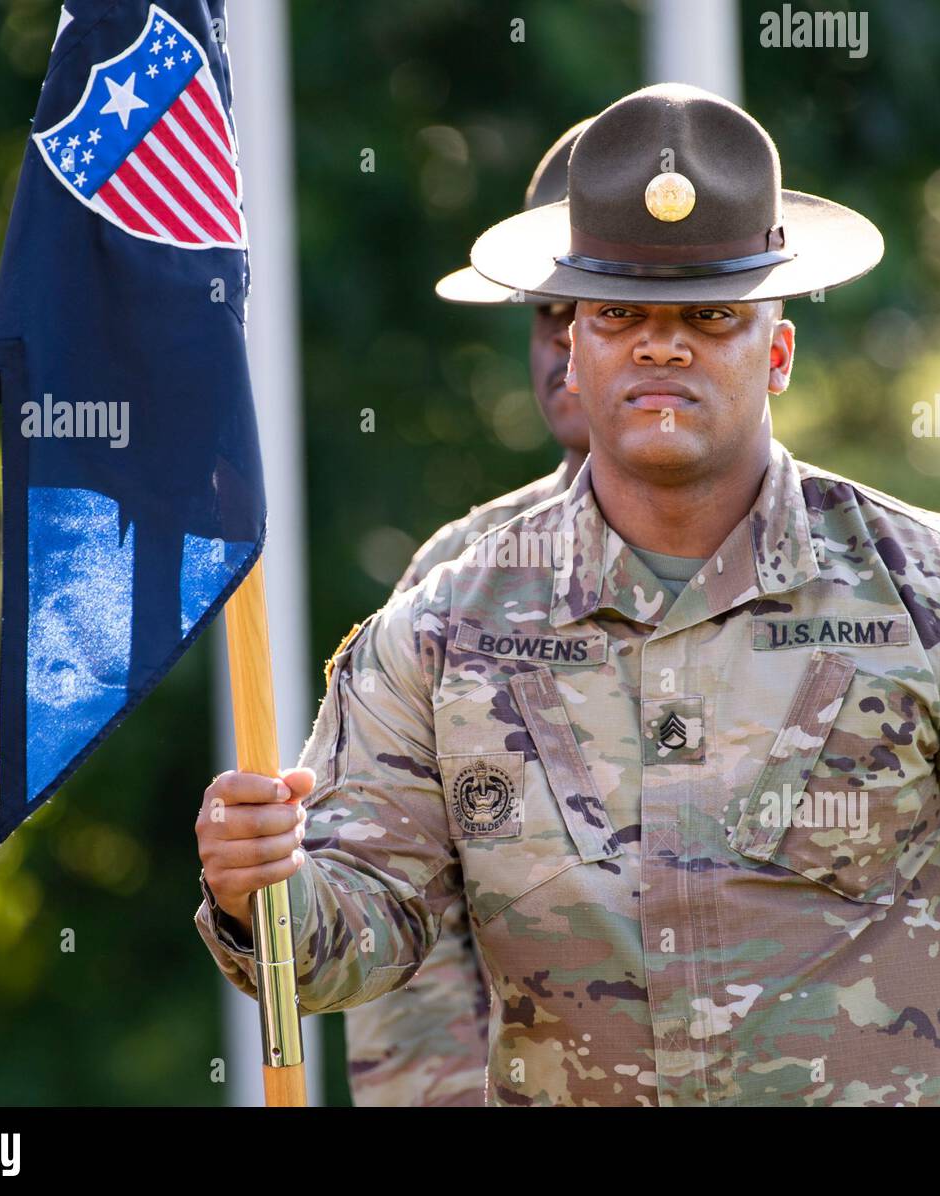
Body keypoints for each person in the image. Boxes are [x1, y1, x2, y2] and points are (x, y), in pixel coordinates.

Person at [194, 83, 940, 1106]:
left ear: (777, 351)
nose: (662, 345)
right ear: (572, 345)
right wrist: (261, 885)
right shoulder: (446, 629)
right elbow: (356, 939)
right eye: (619, 313)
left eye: (710, 314)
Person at [342, 119, 592, 1107]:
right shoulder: (455, 578)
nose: (568, 350)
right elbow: (405, 912)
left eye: (600, 313)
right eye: (547, 316)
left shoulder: (867, 574)